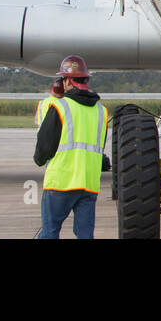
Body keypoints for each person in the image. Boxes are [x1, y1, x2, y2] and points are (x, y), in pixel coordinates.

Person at [34, 55, 109, 239]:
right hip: (88, 183)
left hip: (61, 181)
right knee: (85, 235)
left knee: (50, 233)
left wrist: (39, 159)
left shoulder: (60, 107)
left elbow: (44, 146)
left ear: (67, 81)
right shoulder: (102, 111)